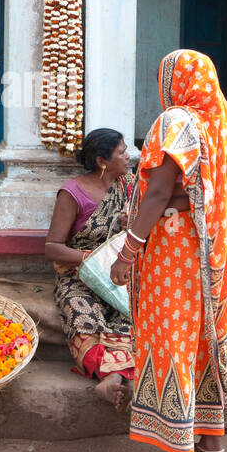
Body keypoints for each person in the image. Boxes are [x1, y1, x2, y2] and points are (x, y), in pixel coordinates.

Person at [110, 50, 227, 452]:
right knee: (206, 344)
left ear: (174, 81)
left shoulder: (178, 121)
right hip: (218, 259)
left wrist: (127, 252)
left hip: (177, 257)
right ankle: (212, 447)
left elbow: (158, 192)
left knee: (171, 346)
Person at [44, 128, 135, 411]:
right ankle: (117, 375)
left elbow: (145, 227)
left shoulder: (129, 185)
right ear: (102, 161)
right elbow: (53, 248)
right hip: (79, 276)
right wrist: (92, 258)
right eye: (121, 152)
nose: (128, 156)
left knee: (133, 319)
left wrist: (129, 224)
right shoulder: (72, 193)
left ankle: (114, 377)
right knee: (83, 320)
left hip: (119, 275)